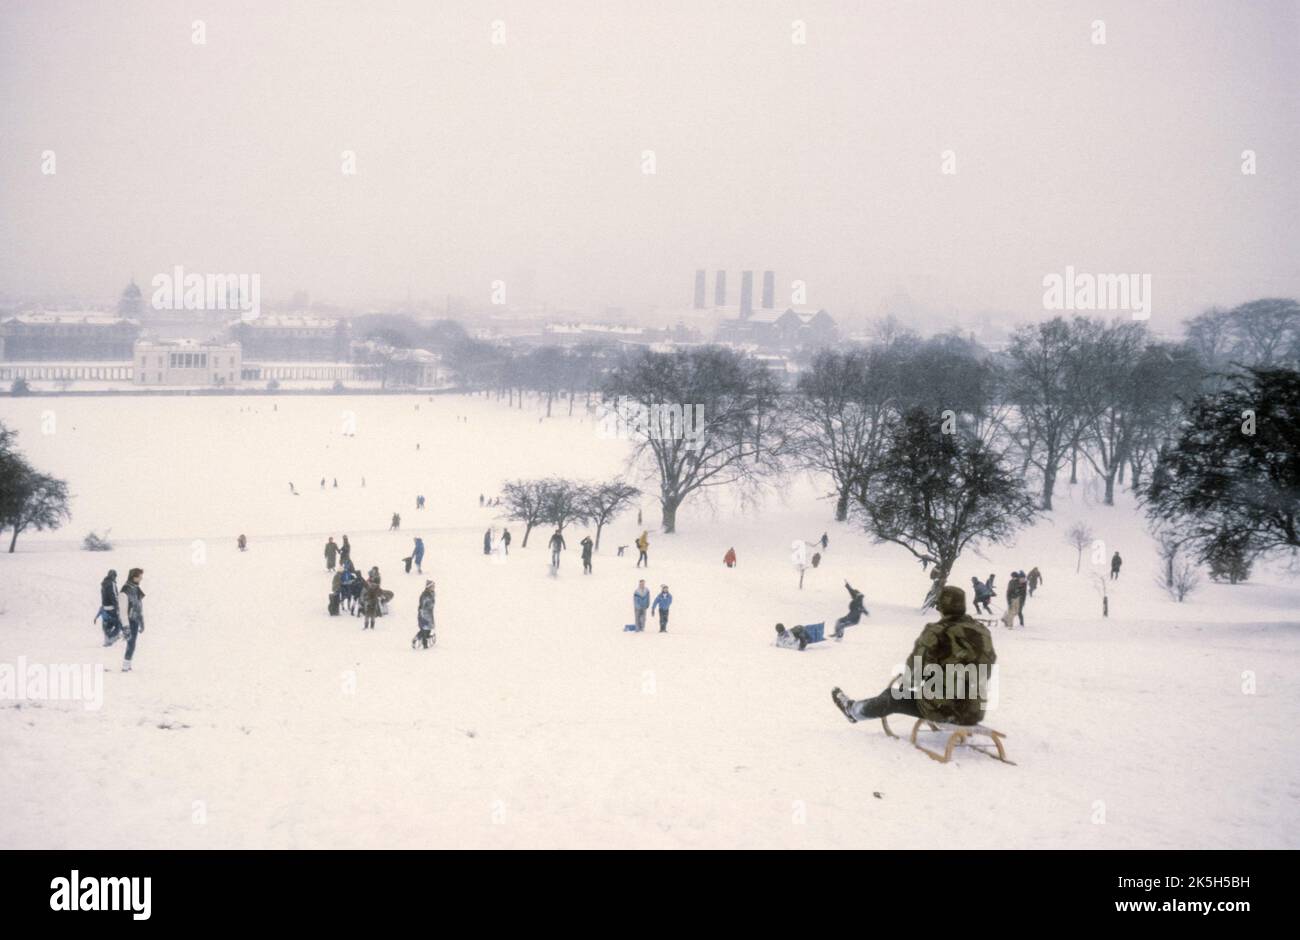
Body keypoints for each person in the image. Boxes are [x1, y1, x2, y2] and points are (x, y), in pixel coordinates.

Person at [831, 585, 996, 725]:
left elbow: (914, 671)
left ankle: (853, 711)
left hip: (945, 709)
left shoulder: (936, 632)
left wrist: (907, 687)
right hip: (974, 710)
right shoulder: (982, 631)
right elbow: (986, 665)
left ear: (941, 607)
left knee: (892, 696)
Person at [120, 568, 146, 672]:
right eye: (140, 576)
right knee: (131, 643)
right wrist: (126, 626)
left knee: (132, 643)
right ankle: (125, 666)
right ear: (134, 577)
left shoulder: (135, 588)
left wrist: (141, 621)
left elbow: (139, 606)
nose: (141, 578)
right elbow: (122, 610)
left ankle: (128, 664)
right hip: (129, 621)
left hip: (135, 619)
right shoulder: (125, 590)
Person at [97, 569, 122, 647]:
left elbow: (103, 596)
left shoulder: (103, 584)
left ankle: (107, 640)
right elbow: (114, 596)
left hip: (105, 607)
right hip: (112, 608)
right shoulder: (112, 583)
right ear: (114, 576)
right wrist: (117, 606)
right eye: (115, 576)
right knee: (119, 624)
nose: (115, 578)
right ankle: (112, 637)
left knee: (108, 624)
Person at [412, 580, 436, 649]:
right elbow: (422, 606)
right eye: (432, 586)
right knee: (424, 630)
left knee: (428, 629)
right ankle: (424, 644)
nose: (434, 587)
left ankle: (419, 639)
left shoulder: (432, 593)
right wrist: (423, 615)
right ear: (429, 587)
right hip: (424, 615)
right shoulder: (425, 595)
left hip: (429, 614)